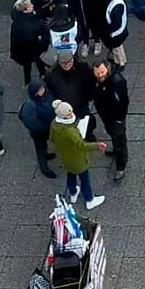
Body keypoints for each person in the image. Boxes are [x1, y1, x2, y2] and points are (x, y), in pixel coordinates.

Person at [48, 100, 107, 208]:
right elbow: (82, 146)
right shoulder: (71, 132)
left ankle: (73, 193)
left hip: (66, 158)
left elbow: (52, 139)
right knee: (85, 179)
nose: (71, 114)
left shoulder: (54, 124)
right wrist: (97, 146)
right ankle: (89, 199)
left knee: (71, 174)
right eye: (68, 114)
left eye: (71, 111)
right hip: (77, 159)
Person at [90, 52, 130, 183]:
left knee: (120, 141)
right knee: (113, 134)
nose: (100, 75)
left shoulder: (116, 81)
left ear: (107, 68)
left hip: (116, 118)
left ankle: (121, 166)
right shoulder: (97, 81)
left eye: (102, 72)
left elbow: (123, 102)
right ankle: (116, 151)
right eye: (97, 73)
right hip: (106, 116)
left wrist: (119, 118)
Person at [18, 75, 58, 178]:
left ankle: (46, 157)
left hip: (46, 128)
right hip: (39, 132)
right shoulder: (33, 106)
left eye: (42, 87)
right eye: (39, 89)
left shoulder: (41, 97)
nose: (42, 90)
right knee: (41, 148)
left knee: (42, 147)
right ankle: (44, 168)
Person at [9, 0, 51, 86]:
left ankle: (28, 81)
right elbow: (36, 38)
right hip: (31, 49)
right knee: (36, 60)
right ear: (25, 10)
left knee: (27, 66)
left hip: (22, 50)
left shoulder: (17, 19)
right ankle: (41, 74)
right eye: (30, 5)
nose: (32, 5)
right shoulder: (30, 24)